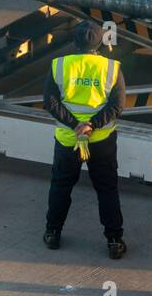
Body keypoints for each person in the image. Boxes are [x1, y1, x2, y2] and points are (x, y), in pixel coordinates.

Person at [42, 21, 127, 259]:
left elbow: (50, 101)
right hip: (101, 141)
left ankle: (52, 233)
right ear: (100, 42)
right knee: (107, 189)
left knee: (61, 186)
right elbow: (117, 106)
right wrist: (92, 125)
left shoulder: (60, 65)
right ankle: (114, 240)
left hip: (68, 139)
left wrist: (76, 125)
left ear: (74, 42)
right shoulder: (111, 68)